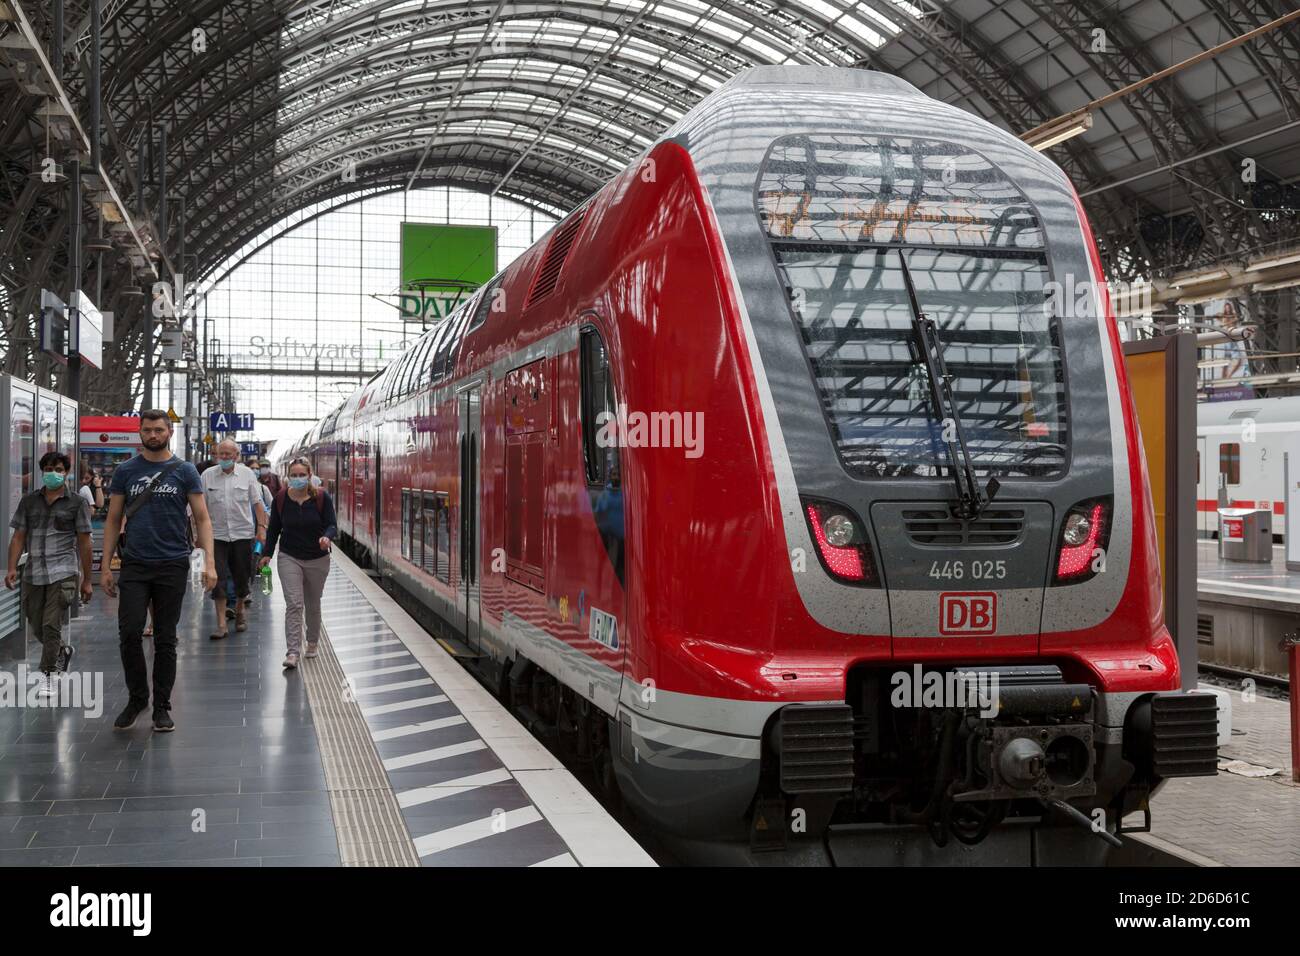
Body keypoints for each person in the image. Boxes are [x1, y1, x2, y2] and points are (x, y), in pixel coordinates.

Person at [101, 410, 217, 732]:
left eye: (159, 430)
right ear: (140, 432)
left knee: (166, 638)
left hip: (172, 563)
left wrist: (209, 562)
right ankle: (138, 697)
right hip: (135, 563)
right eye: (147, 430)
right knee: (129, 632)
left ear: (169, 432)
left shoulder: (185, 471)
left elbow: (202, 518)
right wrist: (105, 566)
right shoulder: (126, 471)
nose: (153, 435)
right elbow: (113, 519)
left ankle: (162, 706)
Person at [4, 453, 93, 699]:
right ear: (42, 471)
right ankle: (62, 651)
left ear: (67, 472)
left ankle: (48, 675)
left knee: (51, 624)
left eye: (59, 469)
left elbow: (85, 542)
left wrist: (87, 580)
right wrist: (11, 567)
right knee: (35, 623)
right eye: (49, 468)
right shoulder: (29, 502)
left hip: (63, 571)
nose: (53, 473)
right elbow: (18, 537)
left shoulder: (77, 503)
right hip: (33, 572)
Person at [260, 457, 335, 669]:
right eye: (294, 475)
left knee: (313, 604)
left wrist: (327, 537)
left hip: (317, 558)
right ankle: (292, 651)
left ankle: (312, 642)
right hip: (289, 556)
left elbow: (331, 524)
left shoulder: (321, 497)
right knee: (294, 603)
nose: (298, 478)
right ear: (288, 476)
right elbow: (274, 529)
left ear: (310, 476)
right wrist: (267, 554)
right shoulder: (281, 498)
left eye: (302, 475)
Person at [200, 440, 267, 639]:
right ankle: (221, 624)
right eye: (221, 454)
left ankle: (239, 609)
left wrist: (261, 529)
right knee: (217, 579)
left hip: (242, 534)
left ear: (237, 456)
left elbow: (258, 503)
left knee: (242, 577)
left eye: (228, 454)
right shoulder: (207, 476)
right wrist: (197, 534)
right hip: (216, 536)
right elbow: (200, 507)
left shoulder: (247, 474)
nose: (224, 457)